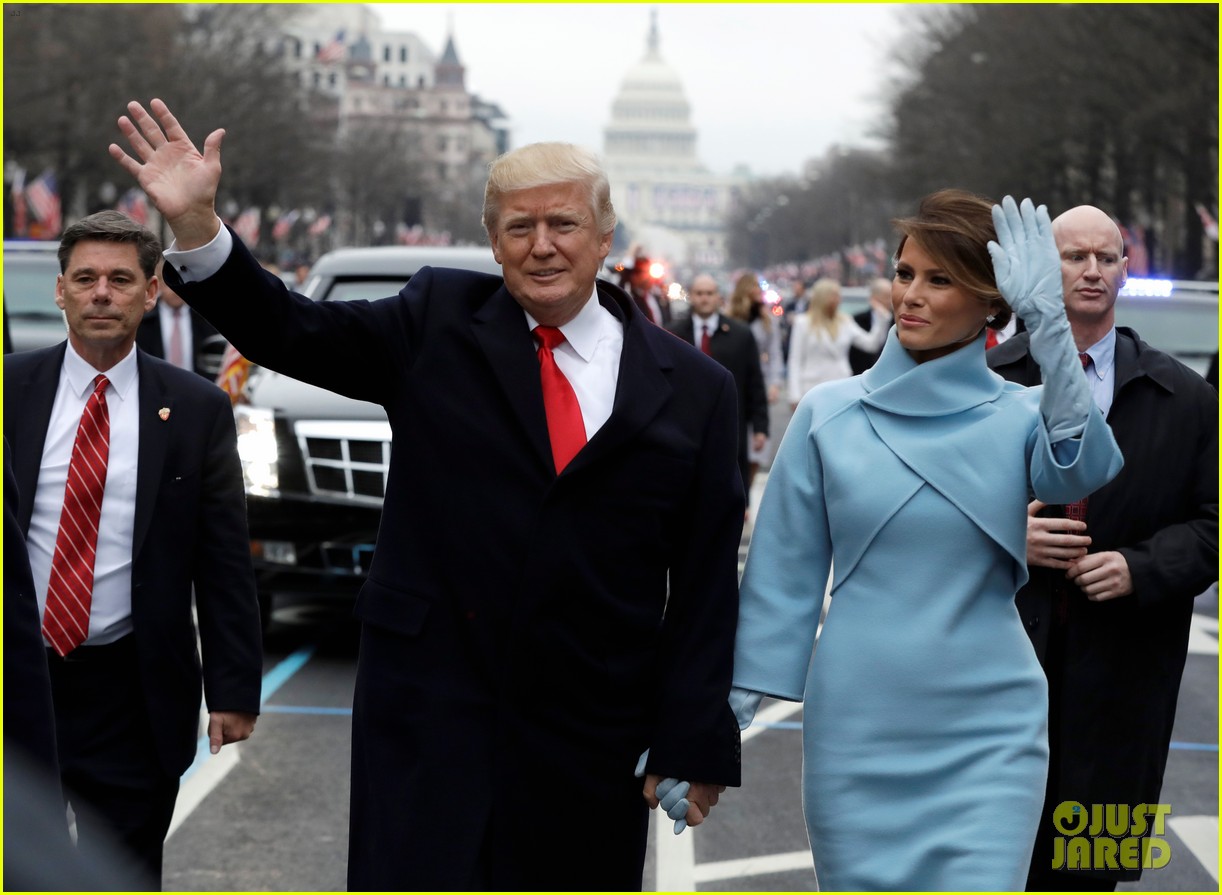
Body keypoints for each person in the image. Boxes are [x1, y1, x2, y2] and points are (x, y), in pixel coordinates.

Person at [111, 98, 743, 890]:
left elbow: (707, 583)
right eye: (519, 227)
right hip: (429, 713)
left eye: (563, 224)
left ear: (605, 238)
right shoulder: (436, 320)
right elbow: (290, 328)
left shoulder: (696, 389)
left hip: (590, 731)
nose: (541, 245)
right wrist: (201, 228)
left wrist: (693, 736)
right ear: (494, 241)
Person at [730, 190, 1124, 891]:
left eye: (939, 279)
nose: (909, 294)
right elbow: (782, 579)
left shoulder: (1023, 412)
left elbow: (1084, 466)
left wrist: (1052, 325)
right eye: (905, 272)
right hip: (858, 720)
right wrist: (724, 710)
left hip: (990, 725)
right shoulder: (828, 414)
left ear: (990, 303)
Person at [2, 210, 264, 890]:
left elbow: (223, 555)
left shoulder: (197, 407)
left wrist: (232, 688)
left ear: (151, 292)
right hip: (16, 677)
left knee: (122, 874)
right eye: (85, 278)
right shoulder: (9, 391)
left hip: (134, 690)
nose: (101, 293)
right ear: (59, 289)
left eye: (121, 279)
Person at [987, 205, 1218, 892]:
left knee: (1090, 873)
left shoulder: (1187, 398)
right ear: (1042, 266)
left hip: (1125, 682)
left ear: (1125, 268)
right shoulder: (983, 381)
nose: (1092, 270)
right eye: (1073, 255)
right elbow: (926, 510)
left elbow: (1214, 521)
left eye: (1106, 257)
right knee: (987, 866)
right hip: (997, 672)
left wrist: (1142, 567)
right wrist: (1008, 535)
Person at [665, 273, 768, 493]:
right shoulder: (670, 333)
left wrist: (760, 427)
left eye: (709, 293)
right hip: (682, 426)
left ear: (718, 297)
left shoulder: (740, 335)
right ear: (691, 296)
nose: (704, 299)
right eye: (699, 293)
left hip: (729, 425)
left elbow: (754, 382)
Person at [785, 276, 890, 408]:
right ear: (823, 298)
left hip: (841, 387)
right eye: (834, 296)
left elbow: (871, 344)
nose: (838, 300)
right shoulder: (803, 323)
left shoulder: (845, 321)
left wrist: (881, 317)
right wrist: (795, 395)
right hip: (811, 389)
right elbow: (795, 360)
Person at [725, 273, 783, 486]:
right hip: (736, 379)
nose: (758, 295)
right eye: (754, 290)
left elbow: (775, 352)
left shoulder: (767, 319)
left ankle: (747, 485)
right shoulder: (730, 318)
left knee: (759, 442)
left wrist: (776, 383)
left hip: (761, 380)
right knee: (736, 436)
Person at [135, 256, 221, 378]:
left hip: (197, 388)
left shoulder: (206, 319)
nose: (175, 290)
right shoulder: (143, 320)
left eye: (180, 282)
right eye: (169, 283)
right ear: (157, 285)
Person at [847, 277, 893, 374]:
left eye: (891, 296)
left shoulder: (897, 321)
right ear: (875, 298)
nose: (890, 301)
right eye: (886, 296)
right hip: (861, 374)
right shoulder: (857, 320)